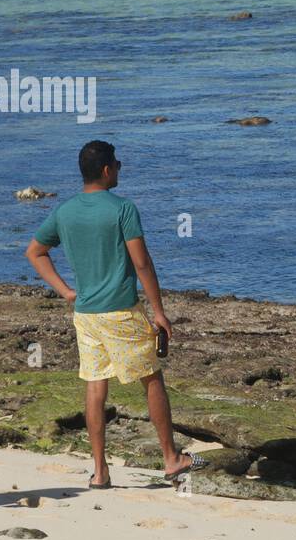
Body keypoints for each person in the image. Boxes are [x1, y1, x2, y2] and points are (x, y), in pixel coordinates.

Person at [25, 141, 201, 488]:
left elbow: (35, 252)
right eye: (117, 164)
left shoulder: (65, 211)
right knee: (151, 379)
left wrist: (65, 291)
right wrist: (159, 312)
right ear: (107, 170)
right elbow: (141, 262)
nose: (120, 168)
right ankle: (171, 459)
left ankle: (100, 472)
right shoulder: (123, 208)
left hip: (86, 314)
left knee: (95, 387)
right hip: (120, 311)